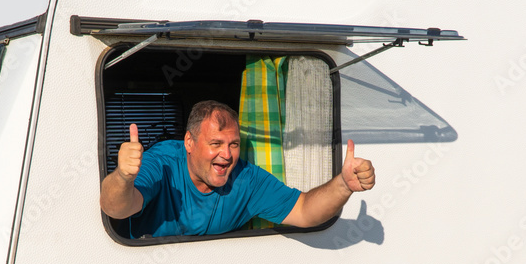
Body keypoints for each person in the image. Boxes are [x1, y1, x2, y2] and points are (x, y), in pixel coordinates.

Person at [100, 100, 376, 238]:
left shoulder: (246, 178)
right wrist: (123, 177)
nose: (226, 155)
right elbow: (115, 208)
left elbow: (304, 210)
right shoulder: (162, 163)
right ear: (189, 142)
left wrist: (343, 185)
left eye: (233, 144)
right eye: (216, 143)